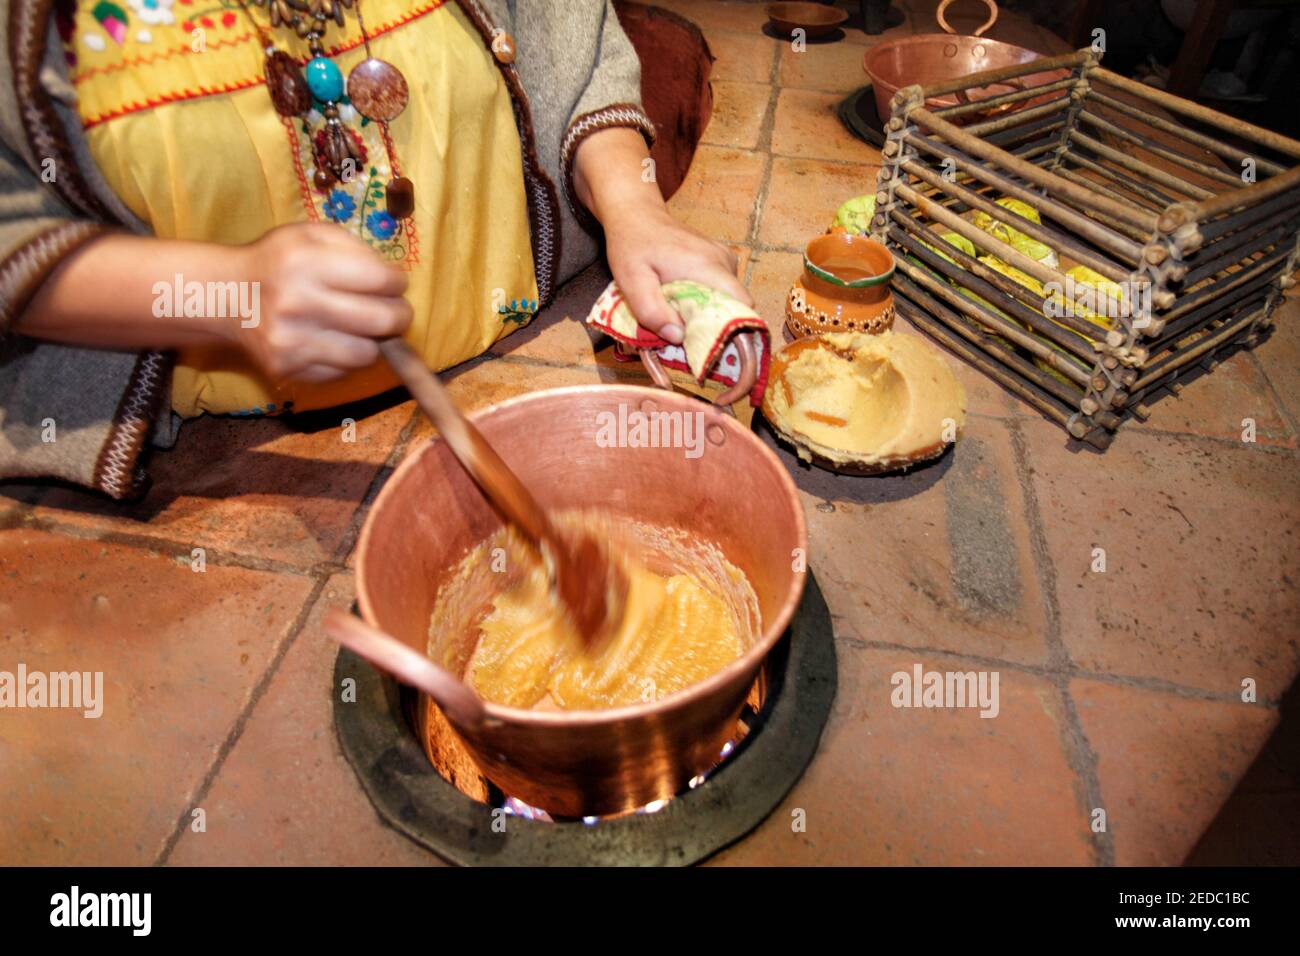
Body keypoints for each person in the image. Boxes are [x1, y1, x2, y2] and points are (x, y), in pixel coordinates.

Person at [0, 0, 750, 497]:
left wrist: (632, 205)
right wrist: (224, 295)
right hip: (206, 472)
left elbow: (575, 45)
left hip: (516, 351)